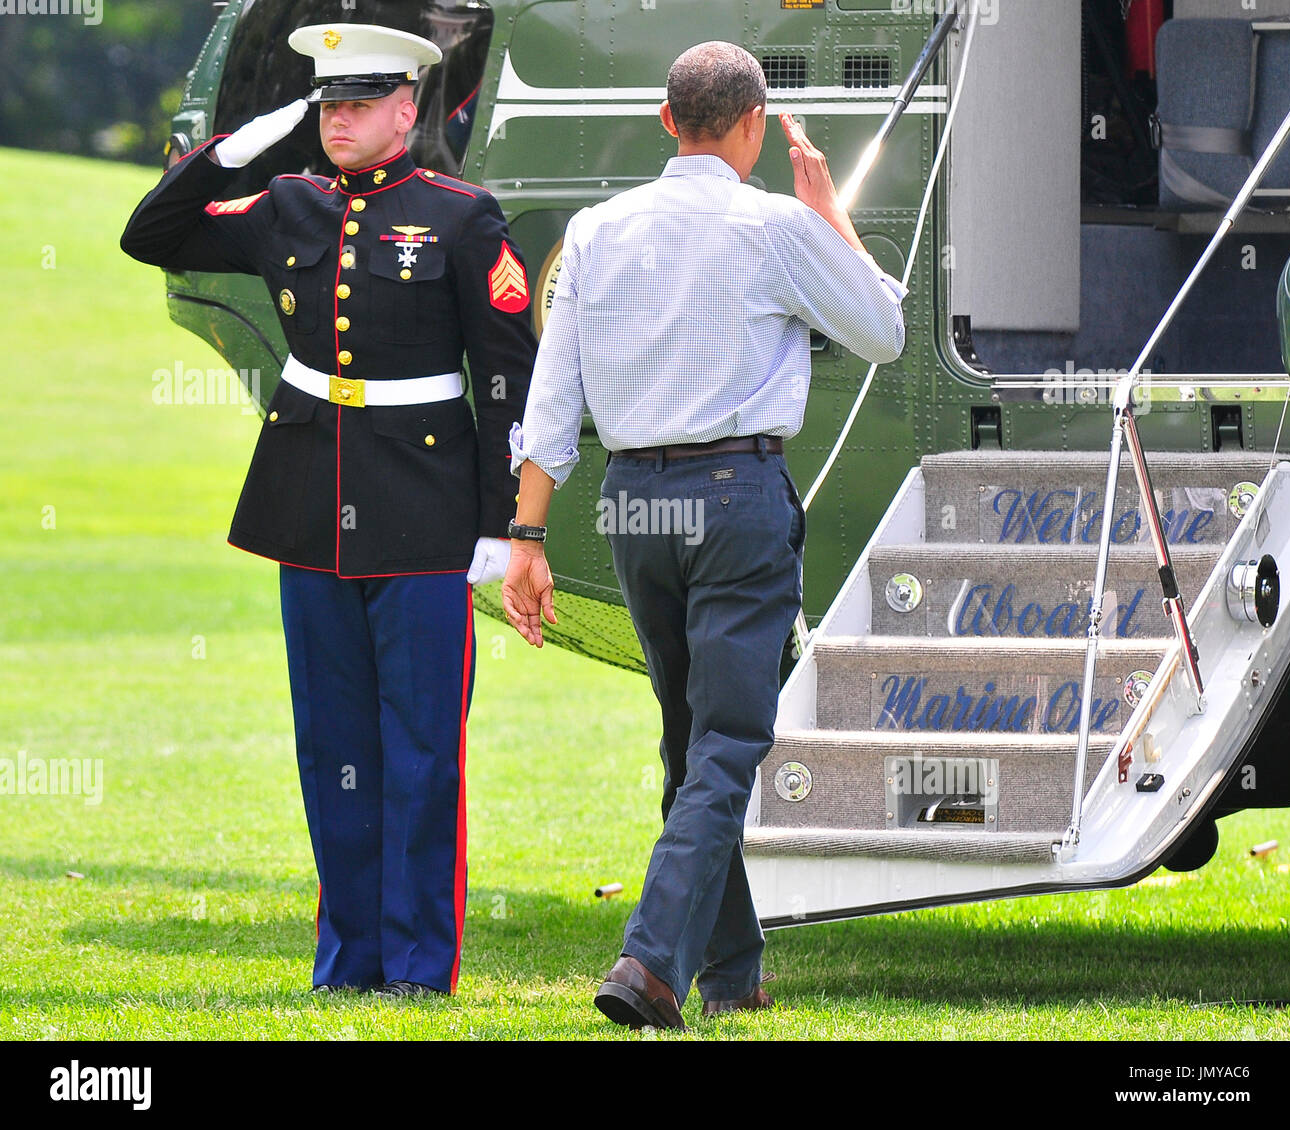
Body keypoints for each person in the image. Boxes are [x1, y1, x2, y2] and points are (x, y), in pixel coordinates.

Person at [121, 23, 536, 996]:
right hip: (309, 503)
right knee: (333, 747)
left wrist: (496, 524)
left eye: (357, 102)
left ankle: (417, 966)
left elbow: (506, 381)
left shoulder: (462, 217)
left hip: (427, 514)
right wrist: (247, 141)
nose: (338, 119)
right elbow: (150, 235)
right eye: (327, 102)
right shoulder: (288, 205)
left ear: (406, 107)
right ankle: (348, 961)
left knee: (423, 750)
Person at [502, 41, 907, 1030]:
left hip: (635, 503)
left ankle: (730, 967)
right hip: (736, 499)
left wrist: (525, 534)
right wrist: (830, 215)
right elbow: (884, 331)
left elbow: (551, 397)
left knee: (690, 737)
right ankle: (649, 960)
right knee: (727, 741)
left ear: (665, 120)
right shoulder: (774, 224)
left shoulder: (596, 230)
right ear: (753, 125)